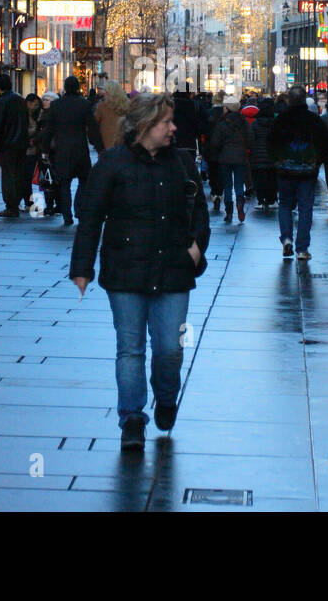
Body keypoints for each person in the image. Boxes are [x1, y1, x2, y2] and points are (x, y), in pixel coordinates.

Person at [70, 93, 210, 452]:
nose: (173, 127)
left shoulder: (181, 162)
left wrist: (196, 249)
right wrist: (82, 267)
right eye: (166, 121)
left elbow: (199, 213)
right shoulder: (112, 164)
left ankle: (166, 396)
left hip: (174, 268)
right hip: (125, 270)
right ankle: (132, 418)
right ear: (145, 125)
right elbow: (91, 218)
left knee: (170, 349)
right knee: (130, 349)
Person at [269, 84, 328, 259]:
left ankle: (287, 238)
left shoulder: (281, 119)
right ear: (304, 99)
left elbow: (271, 143)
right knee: (305, 207)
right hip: (307, 170)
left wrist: (277, 161)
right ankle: (302, 248)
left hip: (285, 169)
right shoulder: (314, 120)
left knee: (285, 204)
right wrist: (317, 162)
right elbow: (325, 143)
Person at [42, 76, 97, 227]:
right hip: (80, 148)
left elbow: (49, 129)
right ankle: (79, 209)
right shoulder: (85, 104)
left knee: (64, 183)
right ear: (78, 87)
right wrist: (96, 143)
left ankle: (67, 215)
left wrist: (45, 149)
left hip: (62, 150)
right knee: (84, 180)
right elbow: (92, 127)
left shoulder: (56, 105)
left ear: (65, 87)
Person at [0, 73, 29, 217]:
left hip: (7, 144)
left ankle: (11, 206)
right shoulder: (20, 100)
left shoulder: (2, 101)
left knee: (8, 175)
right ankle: (17, 202)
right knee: (19, 173)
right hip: (22, 143)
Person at [208, 97, 251, 224]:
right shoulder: (244, 122)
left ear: (227, 108)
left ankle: (229, 212)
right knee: (239, 185)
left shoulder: (222, 123)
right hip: (241, 157)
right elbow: (250, 139)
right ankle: (239, 203)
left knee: (227, 186)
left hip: (225, 158)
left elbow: (215, 142)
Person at [249, 97, 279, 210]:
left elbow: (251, 139)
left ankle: (261, 199)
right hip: (272, 155)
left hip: (257, 155)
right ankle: (271, 199)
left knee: (258, 178)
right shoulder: (275, 123)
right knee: (272, 178)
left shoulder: (256, 123)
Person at [94, 84, 129, 153]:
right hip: (124, 142)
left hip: (106, 143)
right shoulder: (128, 104)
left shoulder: (102, 106)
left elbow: (95, 123)